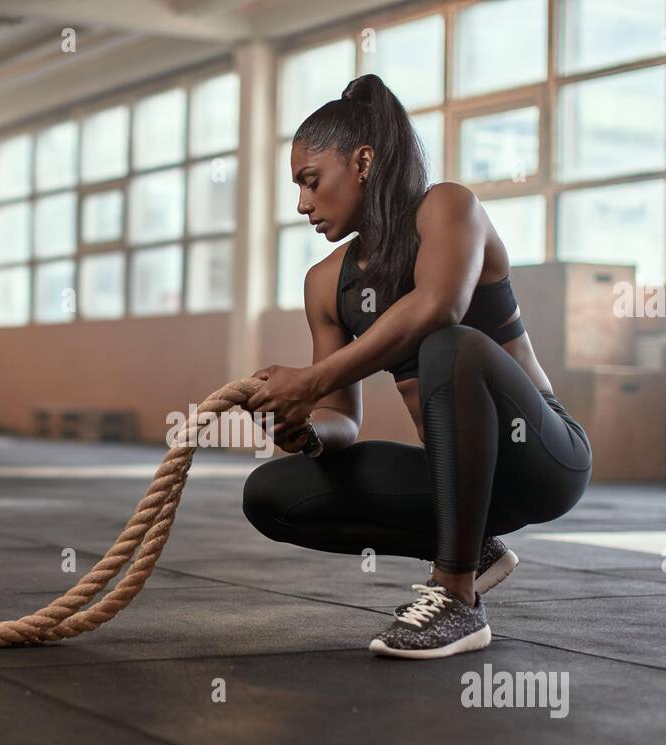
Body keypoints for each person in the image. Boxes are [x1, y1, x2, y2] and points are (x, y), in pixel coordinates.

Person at [242, 74, 592, 660]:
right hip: (455, 482)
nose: (302, 203)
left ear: (362, 161)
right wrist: (307, 429)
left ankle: (456, 596)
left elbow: (439, 308)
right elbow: (339, 418)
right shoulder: (326, 283)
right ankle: (474, 548)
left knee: (449, 344)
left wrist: (308, 380)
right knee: (272, 492)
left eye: (310, 180)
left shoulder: (447, 207)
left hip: (542, 459)